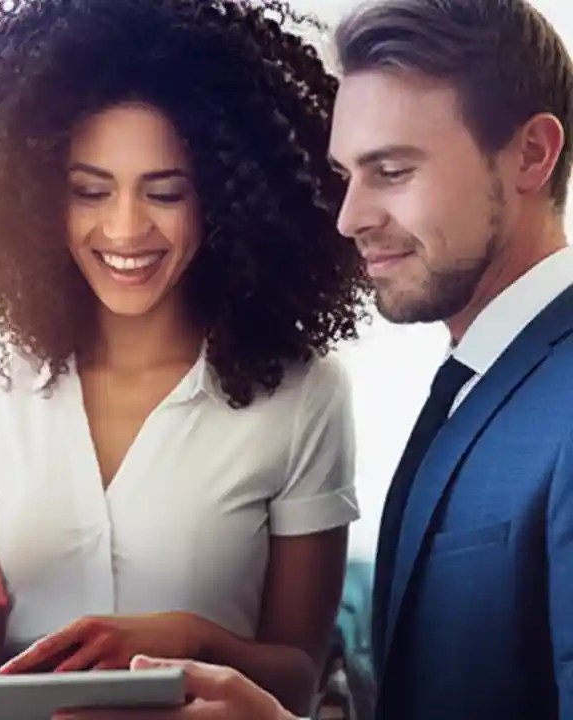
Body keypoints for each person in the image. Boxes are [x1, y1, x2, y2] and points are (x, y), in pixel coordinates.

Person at [61, 0, 573, 718]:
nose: (350, 216)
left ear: (531, 155)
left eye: (391, 171)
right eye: (346, 175)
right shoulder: (478, 385)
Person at [0, 0, 371, 715]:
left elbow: (298, 681)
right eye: (91, 191)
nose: (124, 228)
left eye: (165, 191)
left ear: (224, 196)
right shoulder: (0, 389)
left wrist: (189, 639)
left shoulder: (303, 396)